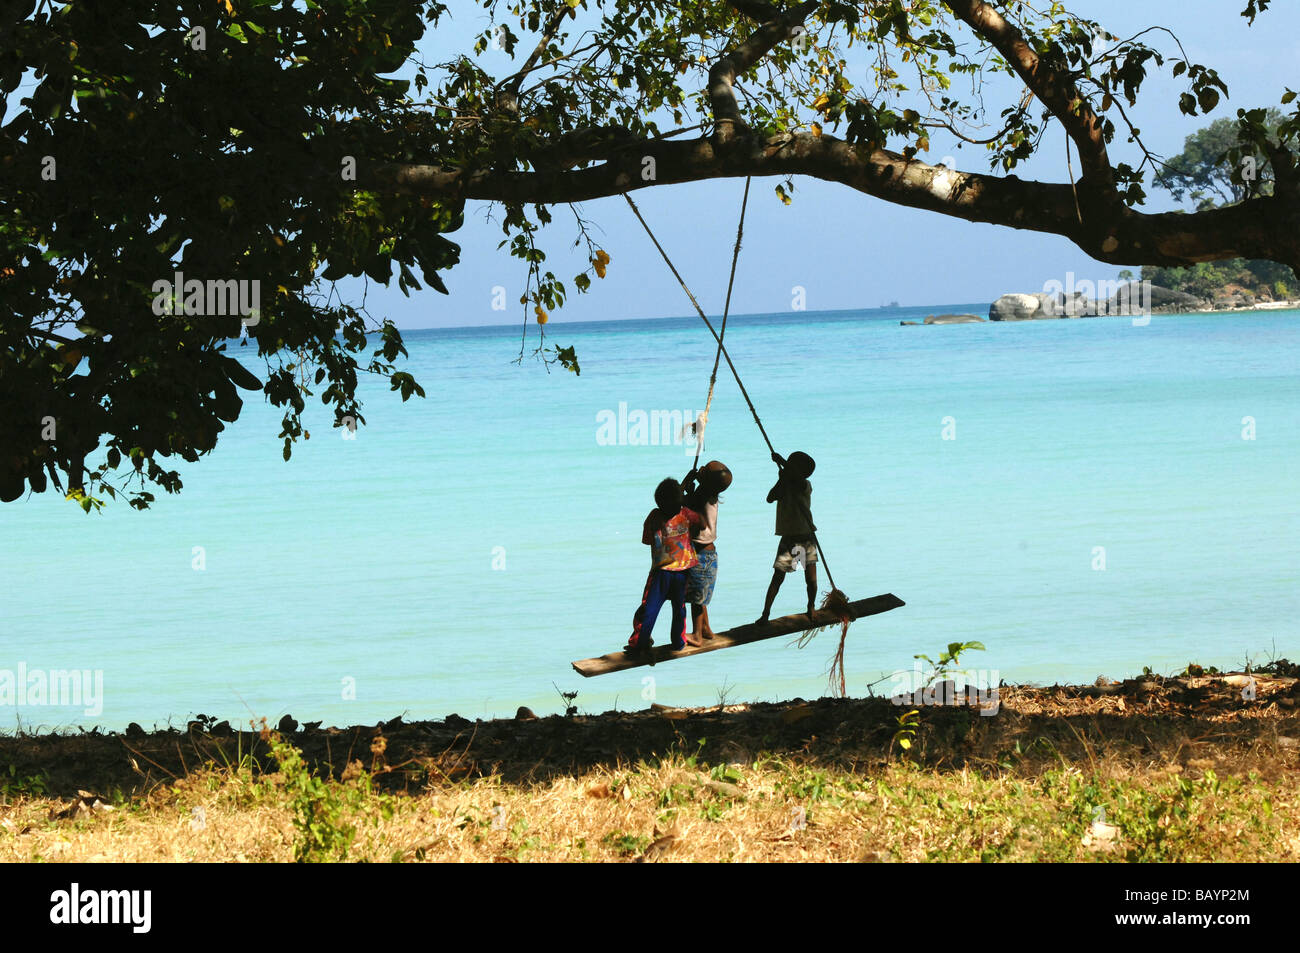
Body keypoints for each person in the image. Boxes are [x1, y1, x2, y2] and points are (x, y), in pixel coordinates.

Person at [626, 478, 705, 656]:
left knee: (650, 608)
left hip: (661, 571)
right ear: (680, 501)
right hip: (683, 570)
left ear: (659, 502)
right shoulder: (685, 513)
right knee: (679, 609)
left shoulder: (654, 516)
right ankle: (678, 641)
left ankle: (640, 642)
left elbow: (647, 540)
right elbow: (702, 524)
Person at [757, 450, 818, 623]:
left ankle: (811, 606)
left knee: (811, 579)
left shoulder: (805, 485)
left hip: (806, 537)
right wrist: (781, 478)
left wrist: (783, 462)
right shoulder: (784, 485)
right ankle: (765, 614)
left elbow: (798, 480)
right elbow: (770, 498)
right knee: (778, 577)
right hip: (788, 538)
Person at [682, 460, 732, 644]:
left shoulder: (701, 495)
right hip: (709, 554)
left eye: (705, 469)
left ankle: (696, 635)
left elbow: (680, 502)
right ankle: (706, 629)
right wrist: (692, 488)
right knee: (700, 596)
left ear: (706, 480)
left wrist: (685, 483)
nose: (701, 468)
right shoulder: (710, 495)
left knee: (696, 599)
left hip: (701, 555)